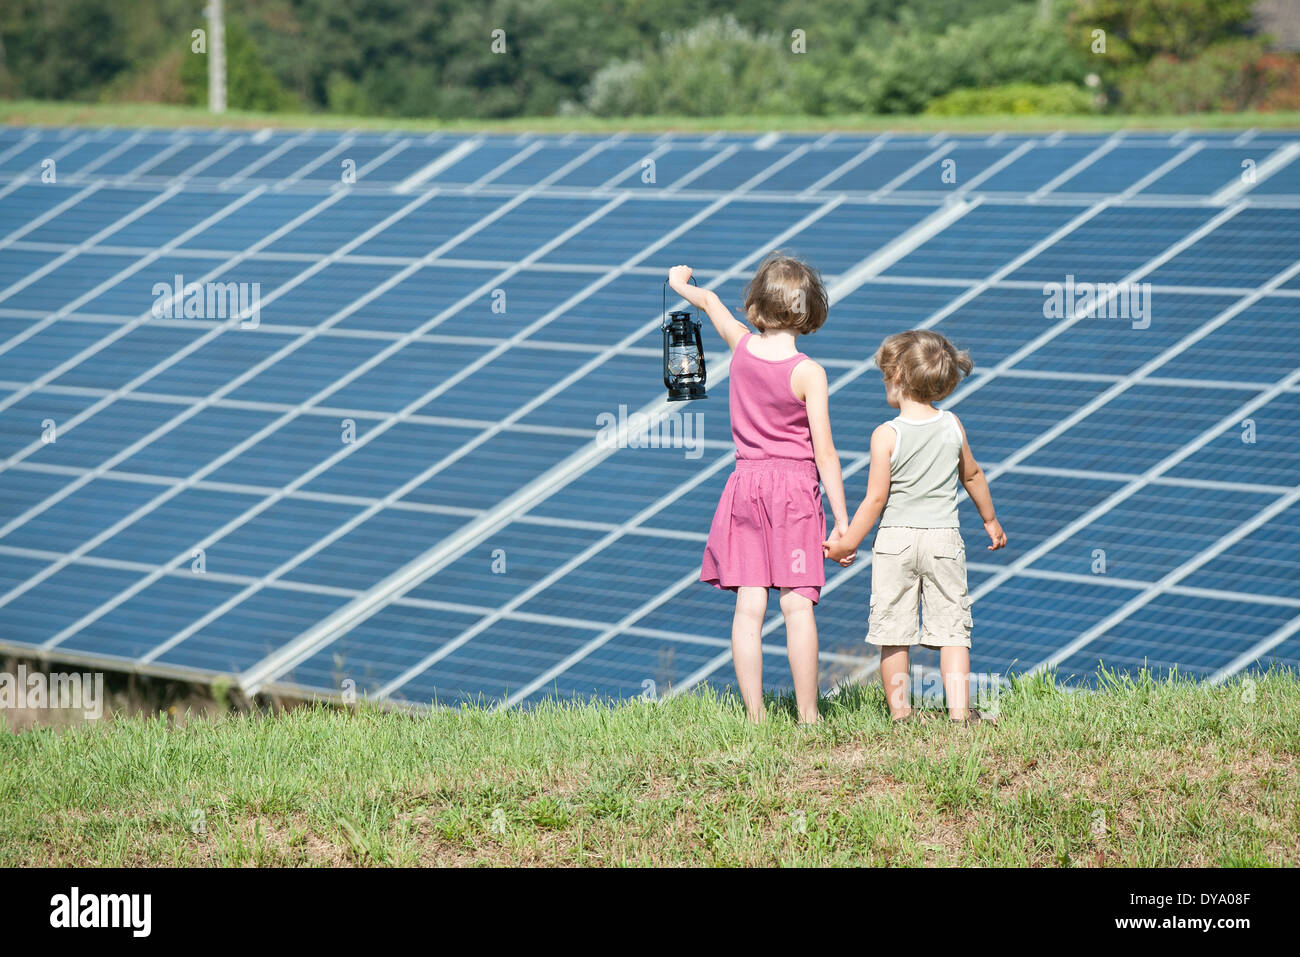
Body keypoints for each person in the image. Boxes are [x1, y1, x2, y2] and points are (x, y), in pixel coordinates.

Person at [668, 253, 850, 724]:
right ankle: (808, 715)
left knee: (749, 607)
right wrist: (844, 521)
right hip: (793, 493)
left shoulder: (741, 347)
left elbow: (709, 302)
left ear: (755, 304)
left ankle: (755, 717)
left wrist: (679, 282)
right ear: (810, 310)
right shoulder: (809, 372)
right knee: (796, 605)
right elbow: (825, 453)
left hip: (746, 487)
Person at [824, 330, 1007, 725]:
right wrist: (989, 520)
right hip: (943, 540)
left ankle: (902, 715)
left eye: (887, 376)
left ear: (901, 378)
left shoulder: (886, 435)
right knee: (952, 631)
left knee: (895, 632)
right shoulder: (953, 425)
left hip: (895, 543)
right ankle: (960, 714)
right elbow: (972, 475)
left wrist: (847, 543)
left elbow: (875, 499)